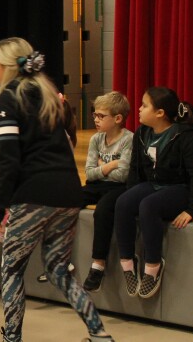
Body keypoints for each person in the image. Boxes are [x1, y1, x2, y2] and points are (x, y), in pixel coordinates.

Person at [0, 37, 112, 342]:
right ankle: (99, 334)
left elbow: (10, 162)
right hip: (68, 193)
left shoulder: (7, 99)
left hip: (33, 194)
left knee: (12, 269)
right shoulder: (47, 94)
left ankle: (12, 338)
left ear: (5, 67)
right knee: (58, 270)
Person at [114, 87, 193, 299]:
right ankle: (128, 263)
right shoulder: (142, 133)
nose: (138, 109)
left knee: (149, 206)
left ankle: (153, 267)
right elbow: (135, 170)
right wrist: (132, 196)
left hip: (179, 189)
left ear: (160, 113)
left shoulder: (186, 137)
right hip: (154, 185)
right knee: (123, 202)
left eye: (144, 105)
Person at [80, 91, 133, 292]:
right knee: (67, 200)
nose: (96, 119)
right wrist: (111, 165)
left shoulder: (129, 139)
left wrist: (101, 167)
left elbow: (123, 176)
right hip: (98, 184)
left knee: (102, 211)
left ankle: (98, 265)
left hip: (118, 188)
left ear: (118, 118)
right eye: (95, 115)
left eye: (101, 116)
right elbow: (88, 174)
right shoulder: (96, 139)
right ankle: (61, 255)